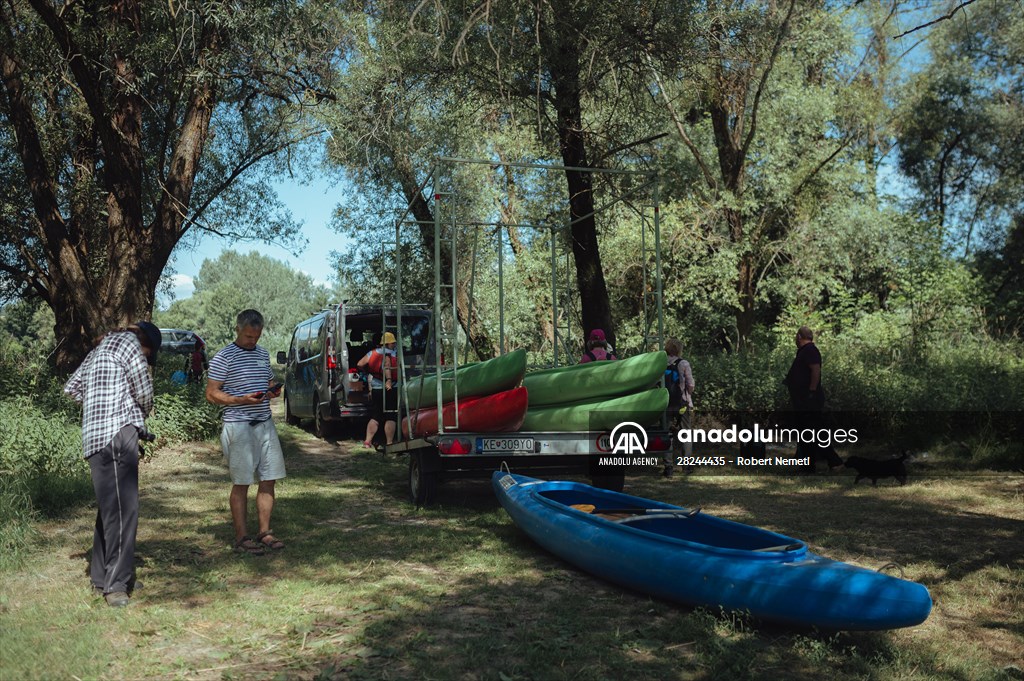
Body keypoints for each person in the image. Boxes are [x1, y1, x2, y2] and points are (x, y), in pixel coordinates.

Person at [64, 321, 162, 607]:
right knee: (124, 510)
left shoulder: (99, 350)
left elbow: (72, 389)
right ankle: (116, 586)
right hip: (118, 433)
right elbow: (143, 391)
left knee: (109, 510)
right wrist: (139, 415)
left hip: (93, 438)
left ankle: (102, 578)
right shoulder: (130, 343)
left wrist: (98, 401)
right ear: (145, 344)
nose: (145, 359)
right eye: (148, 355)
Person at [205, 309, 286, 555]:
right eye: (249, 336)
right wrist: (240, 399)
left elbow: (268, 382)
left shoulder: (262, 354)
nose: (253, 341)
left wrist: (272, 390)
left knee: (269, 479)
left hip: (265, 423)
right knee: (242, 482)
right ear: (238, 329)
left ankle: (265, 532)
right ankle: (241, 538)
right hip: (238, 425)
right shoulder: (224, 357)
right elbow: (211, 393)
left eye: (257, 336)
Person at [783, 326, 844, 472]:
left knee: (813, 432)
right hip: (803, 400)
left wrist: (811, 391)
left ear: (799, 337)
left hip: (809, 400)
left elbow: (815, 370)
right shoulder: (805, 351)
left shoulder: (810, 350)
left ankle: (833, 462)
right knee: (807, 433)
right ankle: (808, 465)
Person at [359, 331, 398, 448]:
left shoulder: (372, 353)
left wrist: (368, 372)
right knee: (390, 415)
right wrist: (389, 380)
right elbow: (387, 366)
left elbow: (359, 363)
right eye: (393, 343)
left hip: (376, 387)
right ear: (388, 343)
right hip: (391, 387)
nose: (394, 345)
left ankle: (367, 441)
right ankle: (390, 443)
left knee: (376, 415)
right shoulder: (393, 354)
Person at [662, 338, 695, 478]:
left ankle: (668, 467)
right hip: (682, 403)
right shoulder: (684, 363)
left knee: (667, 435)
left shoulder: (660, 363)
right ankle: (686, 466)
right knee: (686, 434)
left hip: (665, 403)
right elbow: (691, 385)